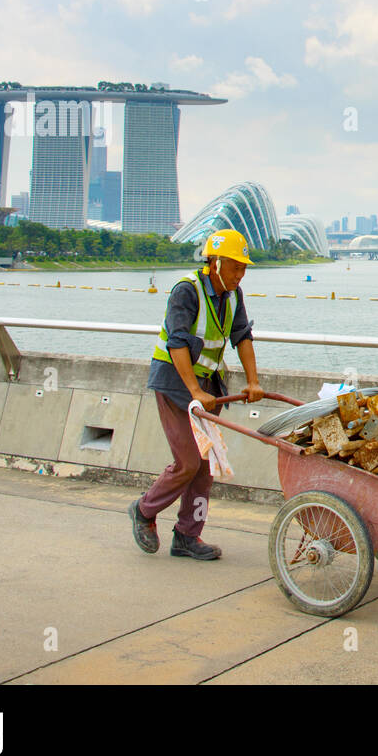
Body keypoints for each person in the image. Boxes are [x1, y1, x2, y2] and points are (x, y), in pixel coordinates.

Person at [128, 229, 264, 560]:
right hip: (175, 383)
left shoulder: (233, 294)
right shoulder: (186, 291)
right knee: (188, 461)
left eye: (243, 268)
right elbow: (176, 342)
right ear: (215, 263)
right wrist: (193, 391)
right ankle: (144, 510)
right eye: (235, 267)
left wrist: (253, 381)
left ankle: (188, 536)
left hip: (206, 385)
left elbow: (242, 336)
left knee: (205, 466)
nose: (240, 274)